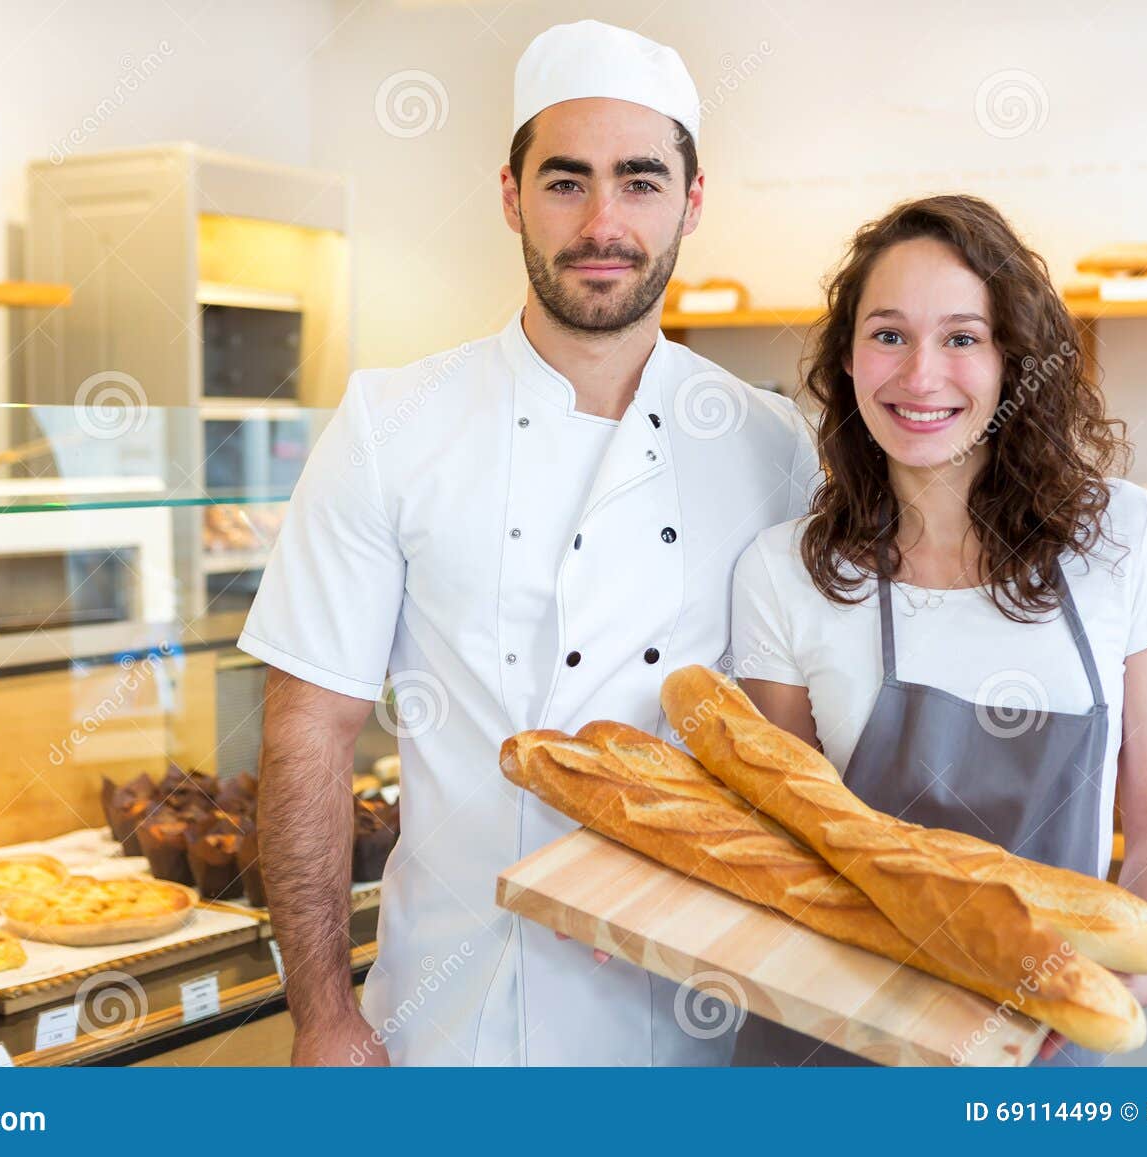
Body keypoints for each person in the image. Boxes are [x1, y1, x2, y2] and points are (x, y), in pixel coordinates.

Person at [240, 20, 819, 1066]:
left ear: (691, 202)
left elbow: (800, 753)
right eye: (566, 182)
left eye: (640, 182)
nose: (603, 222)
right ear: (511, 195)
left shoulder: (775, 448)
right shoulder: (391, 422)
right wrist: (323, 1013)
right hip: (457, 1022)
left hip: (700, 1018)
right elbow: (307, 732)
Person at [726, 194, 1147, 1067]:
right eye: (887, 334)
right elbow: (783, 845)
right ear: (845, 359)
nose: (920, 376)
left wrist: (1122, 981)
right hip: (835, 1040)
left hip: (1045, 1040)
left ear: (1014, 357)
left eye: (961, 336)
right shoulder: (781, 570)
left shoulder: (1129, 540)